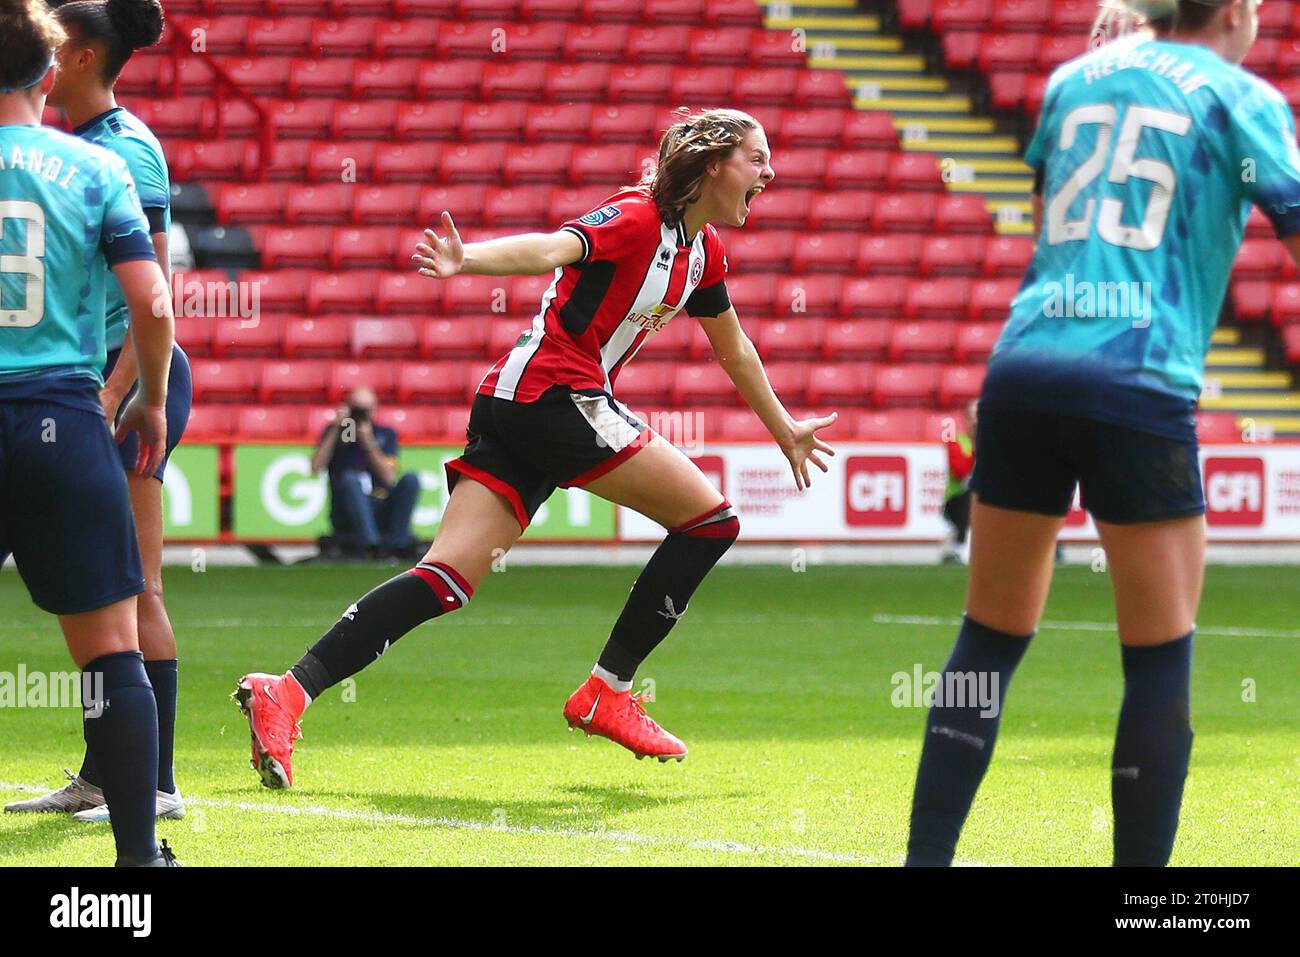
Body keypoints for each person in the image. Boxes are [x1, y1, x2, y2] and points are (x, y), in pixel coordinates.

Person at [234, 108, 837, 788]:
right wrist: (470, 262)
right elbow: (556, 247)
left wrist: (784, 427)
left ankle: (284, 692)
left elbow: (734, 348)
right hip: (555, 395)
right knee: (710, 521)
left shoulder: (703, 255)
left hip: (517, 403)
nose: (770, 171)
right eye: (757, 158)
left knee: (447, 578)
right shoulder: (638, 218)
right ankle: (608, 690)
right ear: (711, 165)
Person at [906, 0, 1298, 867]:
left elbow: (1052, 222)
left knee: (988, 637)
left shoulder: (1071, 80)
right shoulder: (1244, 97)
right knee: (1159, 659)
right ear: (1234, 11)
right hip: (1139, 375)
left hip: (1027, 365)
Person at [0, 0, 178, 865]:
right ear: (45, 71)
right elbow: (151, 299)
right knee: (113, 648)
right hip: (61, 417)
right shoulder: (90, 167)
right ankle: (138, 863)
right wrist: (145, 396)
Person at [312, 387, 421, 561]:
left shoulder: (385, 434)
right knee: (350, 478)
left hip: (379, 503)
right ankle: (371, 544)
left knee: (411, 479)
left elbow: (389, 477)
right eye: (357, 409)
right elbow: (315, 467)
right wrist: (336, 429)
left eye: (366, 410)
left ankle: (398, 544)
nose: (361, 415)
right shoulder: (340, 434)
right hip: (347, 508)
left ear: (375, 409)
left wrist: (368, 442)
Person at [940, 401, 975, 564]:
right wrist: (976, 450)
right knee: (971, 495)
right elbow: (960, 471)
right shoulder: (956, 442)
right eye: (973, 417)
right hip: (957, 500)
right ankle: (959, 547)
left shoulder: (994, 443)